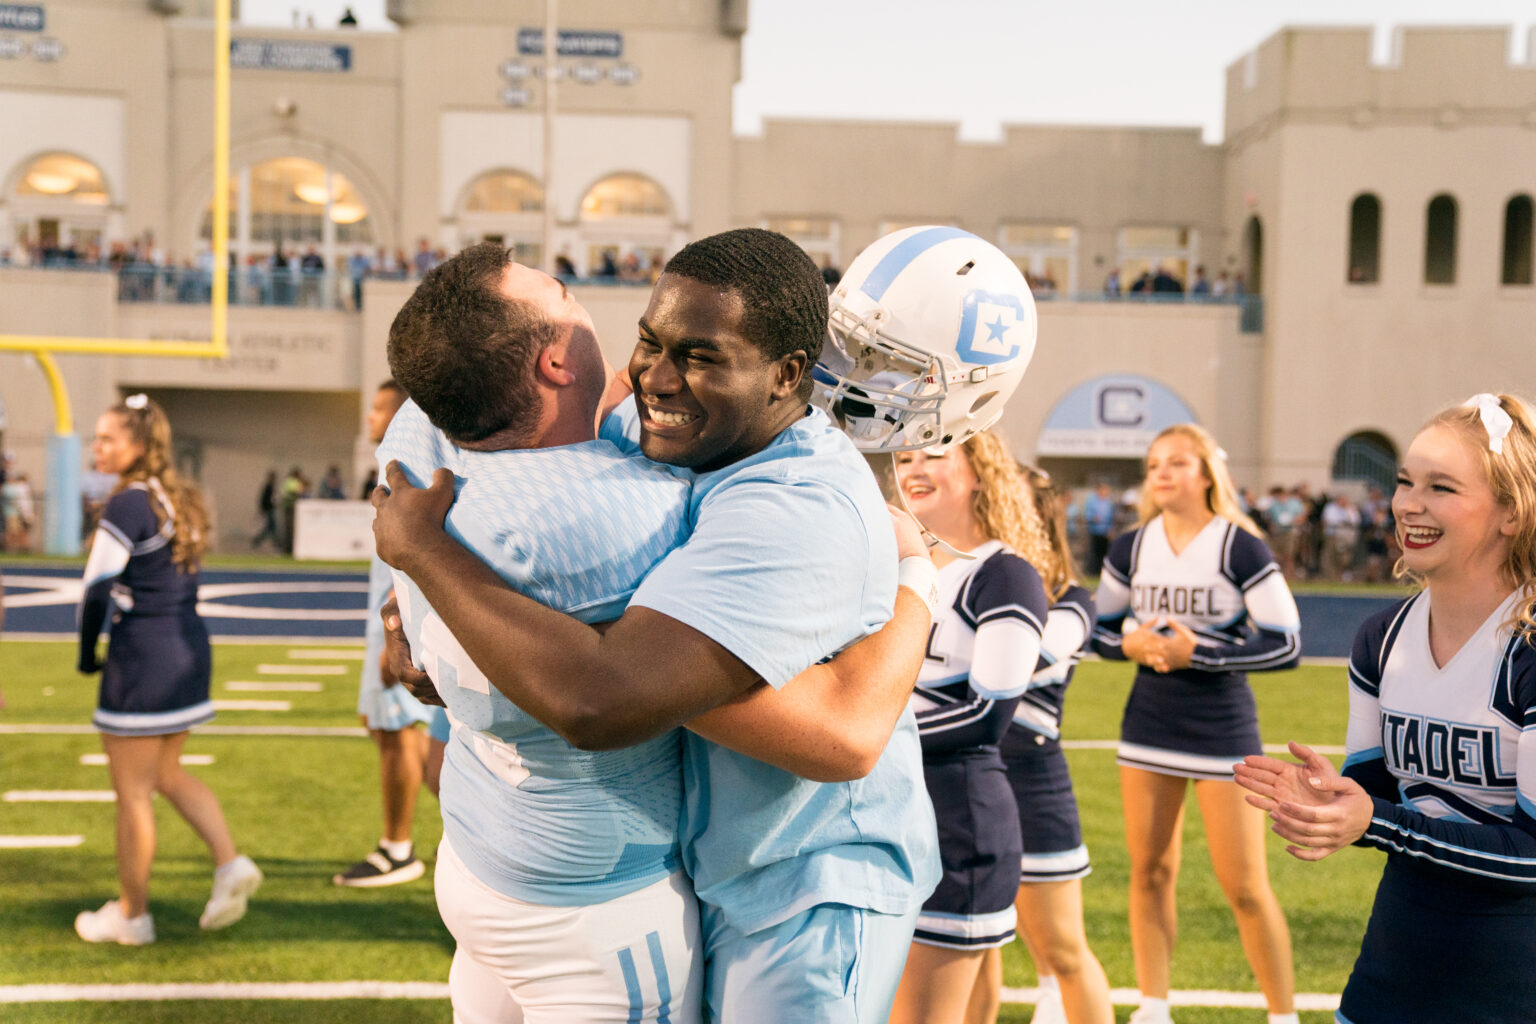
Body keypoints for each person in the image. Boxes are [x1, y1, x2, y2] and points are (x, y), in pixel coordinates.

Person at [374, 227, 1036, 1021]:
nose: (652, 375)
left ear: (791, 371)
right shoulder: (644, 429)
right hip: (712, 854)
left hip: (806, 878)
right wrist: (441, 629)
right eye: (649, 340)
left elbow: (837, 735)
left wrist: (458, 613)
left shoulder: (802, 502)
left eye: (698, 355)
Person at [1236, 393, 1536, 1024]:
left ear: (1511, 512)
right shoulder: (1382, 637)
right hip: (1390, 972)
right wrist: (1326, 799)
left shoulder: (1528, 650)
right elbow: (1375, 794)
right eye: (1404, 481)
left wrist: (1379, 823)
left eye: (1440, 487)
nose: (1408, 504)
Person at [1091, 423, 1301, 1024]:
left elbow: (1285, 644)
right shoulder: (1130, 547)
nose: (1161, 473)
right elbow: (1099, 629)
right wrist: (1128, 645)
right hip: (1148, 724)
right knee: (1150, 872)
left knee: (1244, 886)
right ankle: (1152, 1006)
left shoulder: (1239, 546)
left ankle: (1282, 1016)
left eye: (1177, 463)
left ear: (1207, 474)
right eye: (1154, 463)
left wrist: (1201, 655)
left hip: (1220, 730)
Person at [73, 394, 261, 945]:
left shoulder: (127, 503)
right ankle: (230, 865)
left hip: (144, 657)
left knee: (132, 792)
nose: (98, 447)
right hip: (186, 651)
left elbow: (95, 590)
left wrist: (88, 656)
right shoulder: (173, 496)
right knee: (166, 774)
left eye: (107, 438)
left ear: (137, 445)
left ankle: (131, 915)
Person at [888, 432, 1050, 1024]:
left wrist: (865, 735)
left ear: (980, 472)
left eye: (934, 454)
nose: (915, 468)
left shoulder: (1005, 576)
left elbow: (988, 716)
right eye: (905, 458)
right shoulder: (897, 566)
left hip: (958, 825)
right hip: (887, 818)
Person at [968, 464, 1113, 1024]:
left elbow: (1022, 662)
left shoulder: (1073, 599)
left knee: (1062, 952)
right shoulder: (965, 579)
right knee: (972, 945)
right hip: (963, 779)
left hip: (1031, 782)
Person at [334, 379, 438, 888]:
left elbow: (407, 557)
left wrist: (395, 636)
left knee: (398, 733)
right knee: (394, 733)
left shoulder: (403, 462)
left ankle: (397, 848)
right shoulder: (395, 462)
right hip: (389, 620)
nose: (371, 416)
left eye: (379, 407)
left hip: (396, 623)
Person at [250, 470, 279, 550]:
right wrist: (264, 508)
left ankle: (259, 540)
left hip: (269, 509)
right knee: (271, 527)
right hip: (269, 509)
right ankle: (274, 543)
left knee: (270, 528)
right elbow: (265, 499)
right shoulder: (269, 487)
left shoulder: (270, 487)